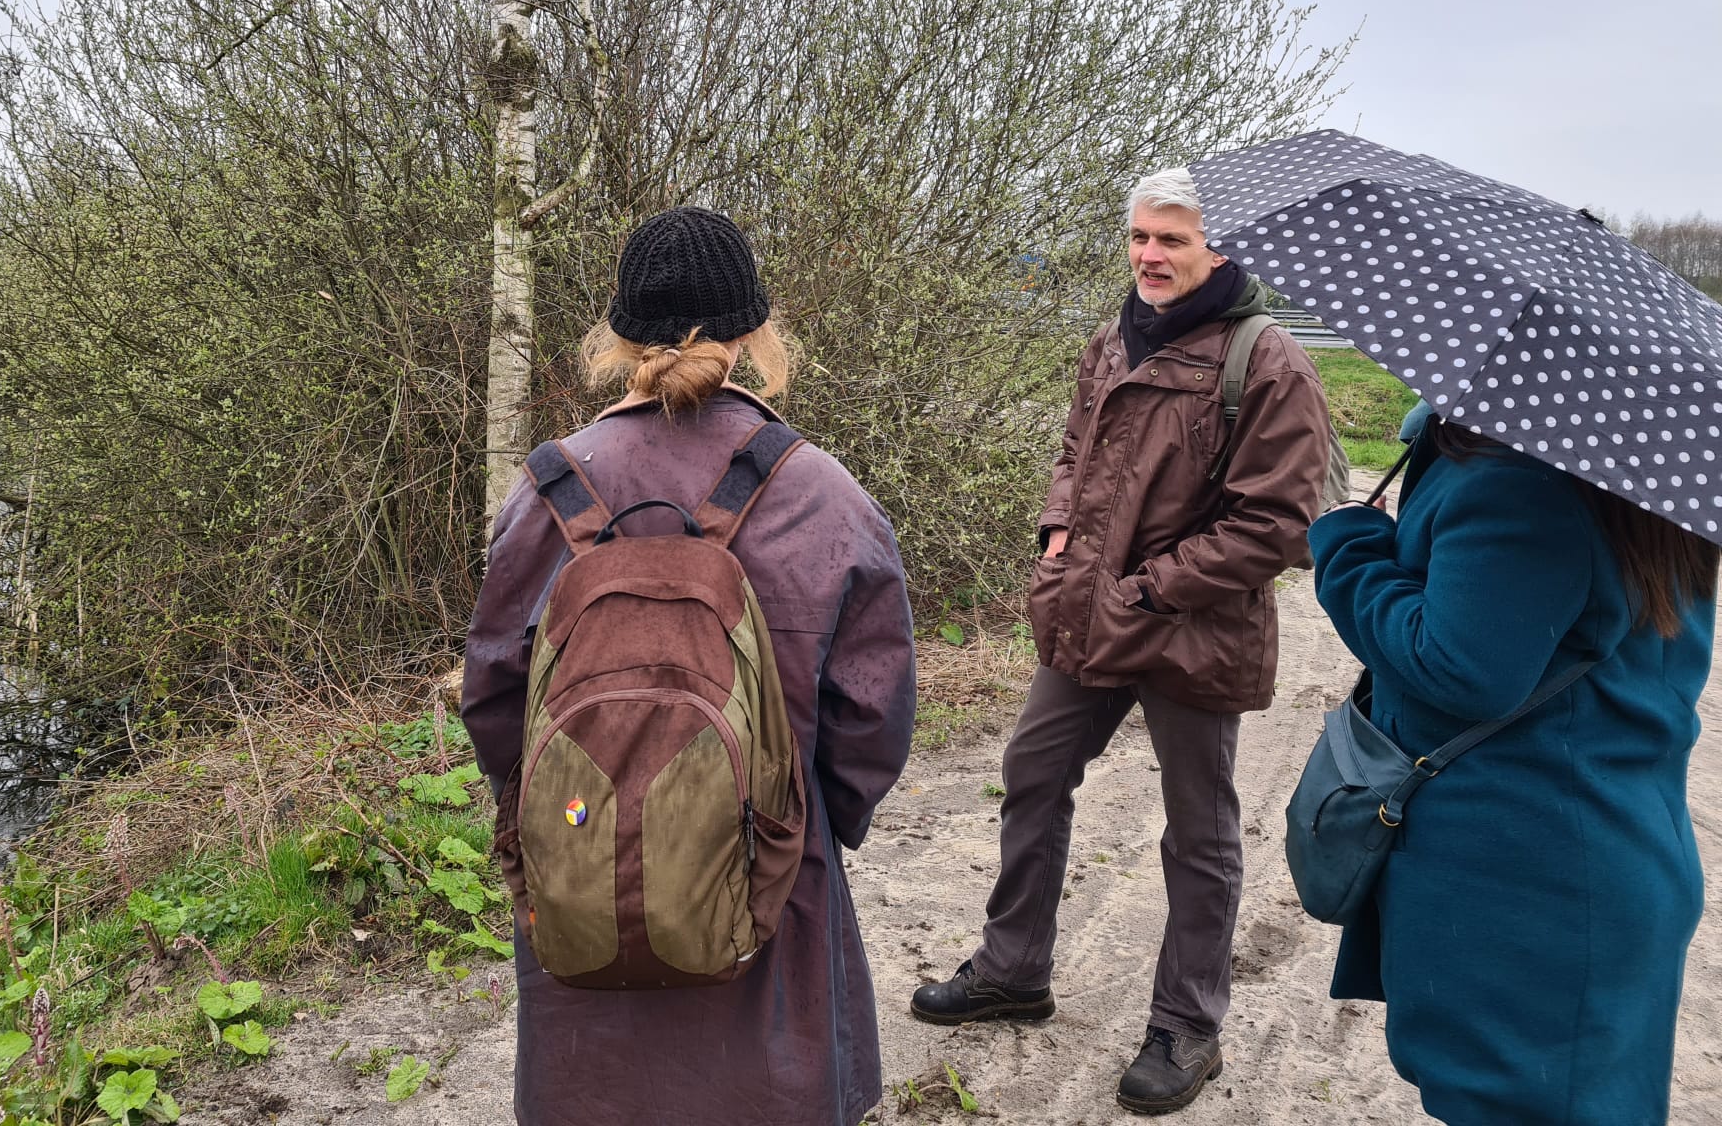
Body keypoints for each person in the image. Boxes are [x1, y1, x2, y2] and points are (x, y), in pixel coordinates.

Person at [462, 205, 918, 1126]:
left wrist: (567, 819)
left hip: (582, 870)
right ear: (755, 333)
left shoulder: (547, 488)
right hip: (767, 873)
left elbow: (494, 700)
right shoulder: (823, 493)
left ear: (618, 334)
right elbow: (874, 717)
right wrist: (803, 830)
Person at [910, 167, 1335, 1116]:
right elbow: (1075, 452)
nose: (1149, 255)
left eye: (1171, 240)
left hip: (1190, 629)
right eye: (1141, 236)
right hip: (1087, 613)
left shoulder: (1269, 365)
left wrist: (1149, 590)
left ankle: (1188, 1024)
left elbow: (1275, 526)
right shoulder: (1111, 340)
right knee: (1032, 773)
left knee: (1199, 829)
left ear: (1219, 249)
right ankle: (1013, 971)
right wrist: (1058, 534)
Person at [1310, 403, 1717, 1125]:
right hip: (1607, 852)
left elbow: (1462, 667)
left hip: (1522, 886)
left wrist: (1346, 543)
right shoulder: (1641, 467)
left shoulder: (1522, 475)